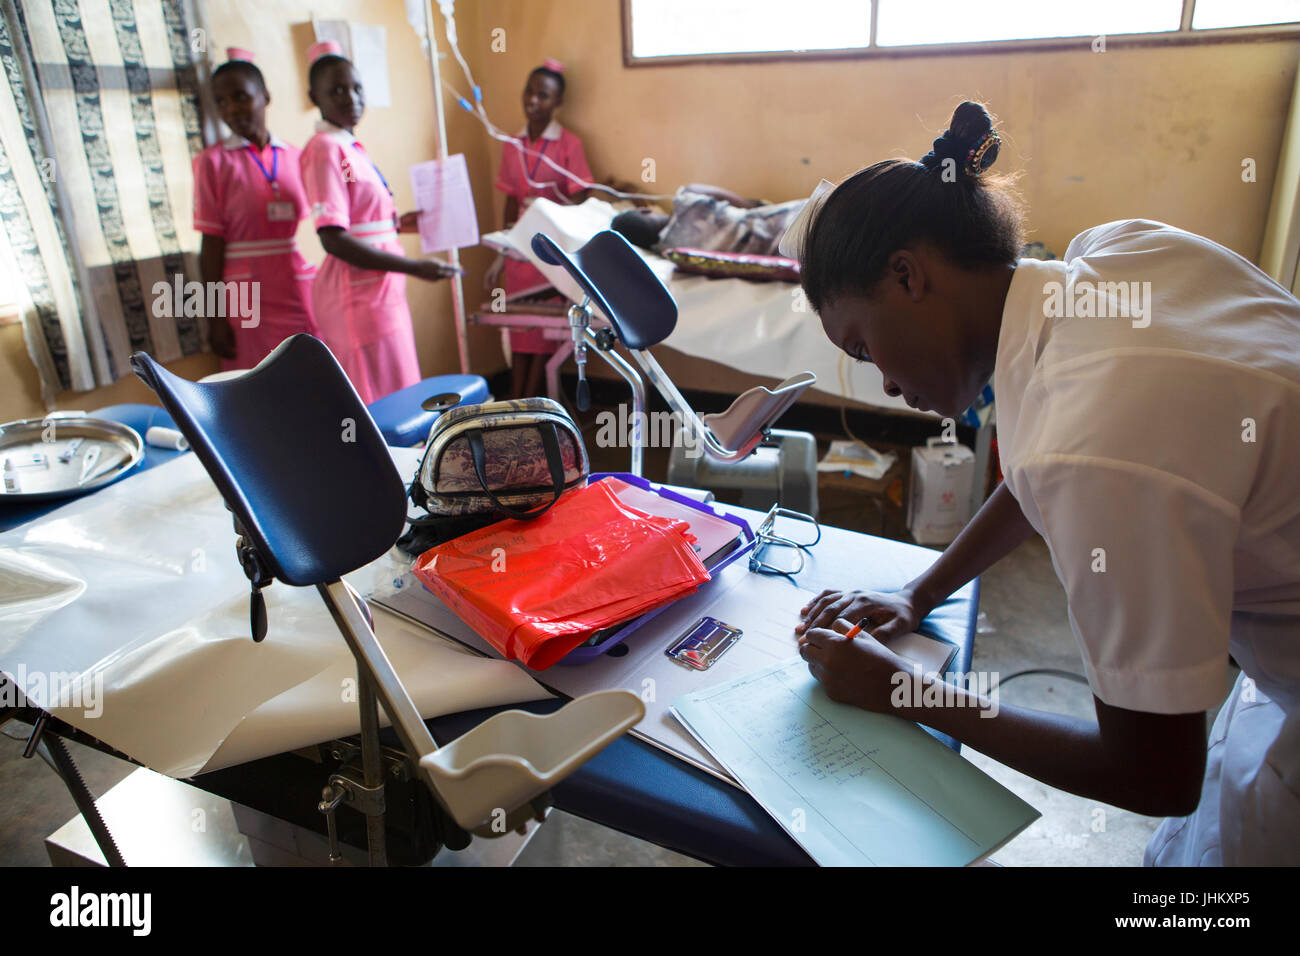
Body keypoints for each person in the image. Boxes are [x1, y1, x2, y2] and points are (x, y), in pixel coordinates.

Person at [793, 101, 1300, 865]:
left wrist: (905, 690)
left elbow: (1156, 774)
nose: (887, 387)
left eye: (864, 347)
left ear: (907, 275)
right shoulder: (1118, 252)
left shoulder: (1095, 442)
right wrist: (919, 593)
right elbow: (1045, 460)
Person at [300, 41, 458, 404]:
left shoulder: (349, 145)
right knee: (377, 397)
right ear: (315, 96)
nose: (350, 97)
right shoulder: (325, 148)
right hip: (354, 295)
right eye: (337, 90)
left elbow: (361, 218)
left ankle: (405, 458)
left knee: (401, 386)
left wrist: (399, 224)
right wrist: (414, 267)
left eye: (356, 88)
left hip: (381, 292)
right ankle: (385, 459)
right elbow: (333, 238)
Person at [192, 48, 317, 371]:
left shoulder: (296, 156)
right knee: (258, 380)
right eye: (221, 102)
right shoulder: (213, 163)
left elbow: (331, 215)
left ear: (265, 96)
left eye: (240, 97)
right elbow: (211, 245)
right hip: (245, 295)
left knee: (310, 372)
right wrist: (215, 317)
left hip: (296, 280)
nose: (231, 109)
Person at [494, 59, 592, 399]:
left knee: (541, 336)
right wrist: (504, 243)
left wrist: (555, 224)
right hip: (518, 247)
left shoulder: (568, 145)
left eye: (544, 95)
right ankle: (514, 401)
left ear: (557, 103)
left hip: (548, 245)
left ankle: (527, 405)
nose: (533, 101)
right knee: (519, 331)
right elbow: (509, 198)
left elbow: (580, 197)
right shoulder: (512, 143)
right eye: (530, 91)